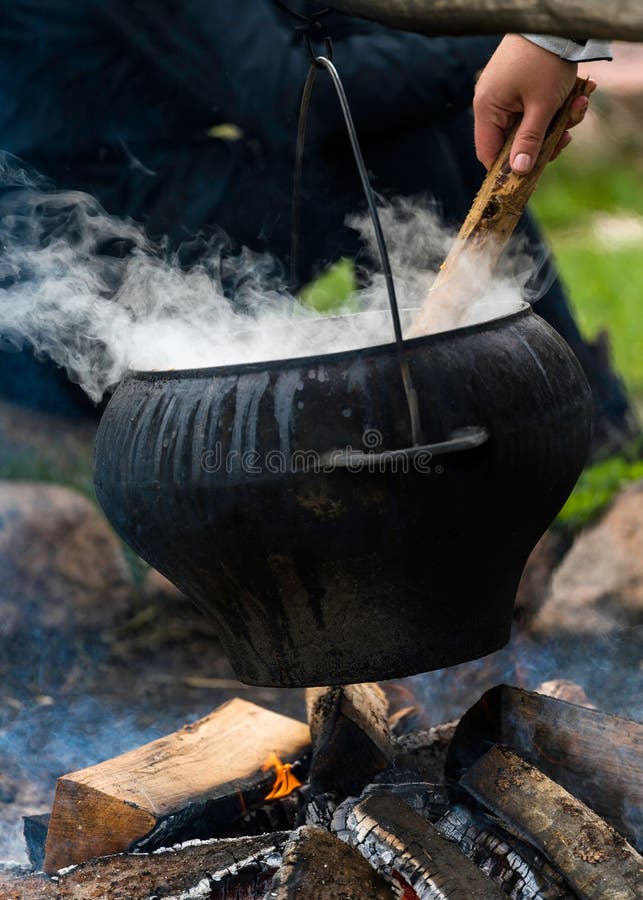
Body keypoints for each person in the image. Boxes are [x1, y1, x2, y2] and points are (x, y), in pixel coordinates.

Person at [0, 2, 637, 453]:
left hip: (141, 195)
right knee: (383, 130)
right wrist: (506, 44)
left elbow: (328, 23)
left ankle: (547, 401)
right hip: (68, 283)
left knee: (409, 104)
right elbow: (290, 91)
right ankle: (548, 409)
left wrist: (525, 44)